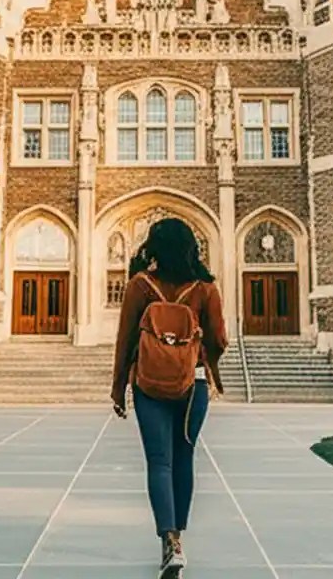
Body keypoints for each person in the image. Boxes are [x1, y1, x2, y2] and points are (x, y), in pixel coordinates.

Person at [110, 217, 227, 578]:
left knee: (159, 462)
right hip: (193, 386)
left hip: (148, 385)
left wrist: (118, 389)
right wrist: (201, 359)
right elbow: (219, 340)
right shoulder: (206, 288)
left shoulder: (138, 286)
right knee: (184, 457)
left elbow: (125, 341)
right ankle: (180, 537)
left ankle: (169, 541)